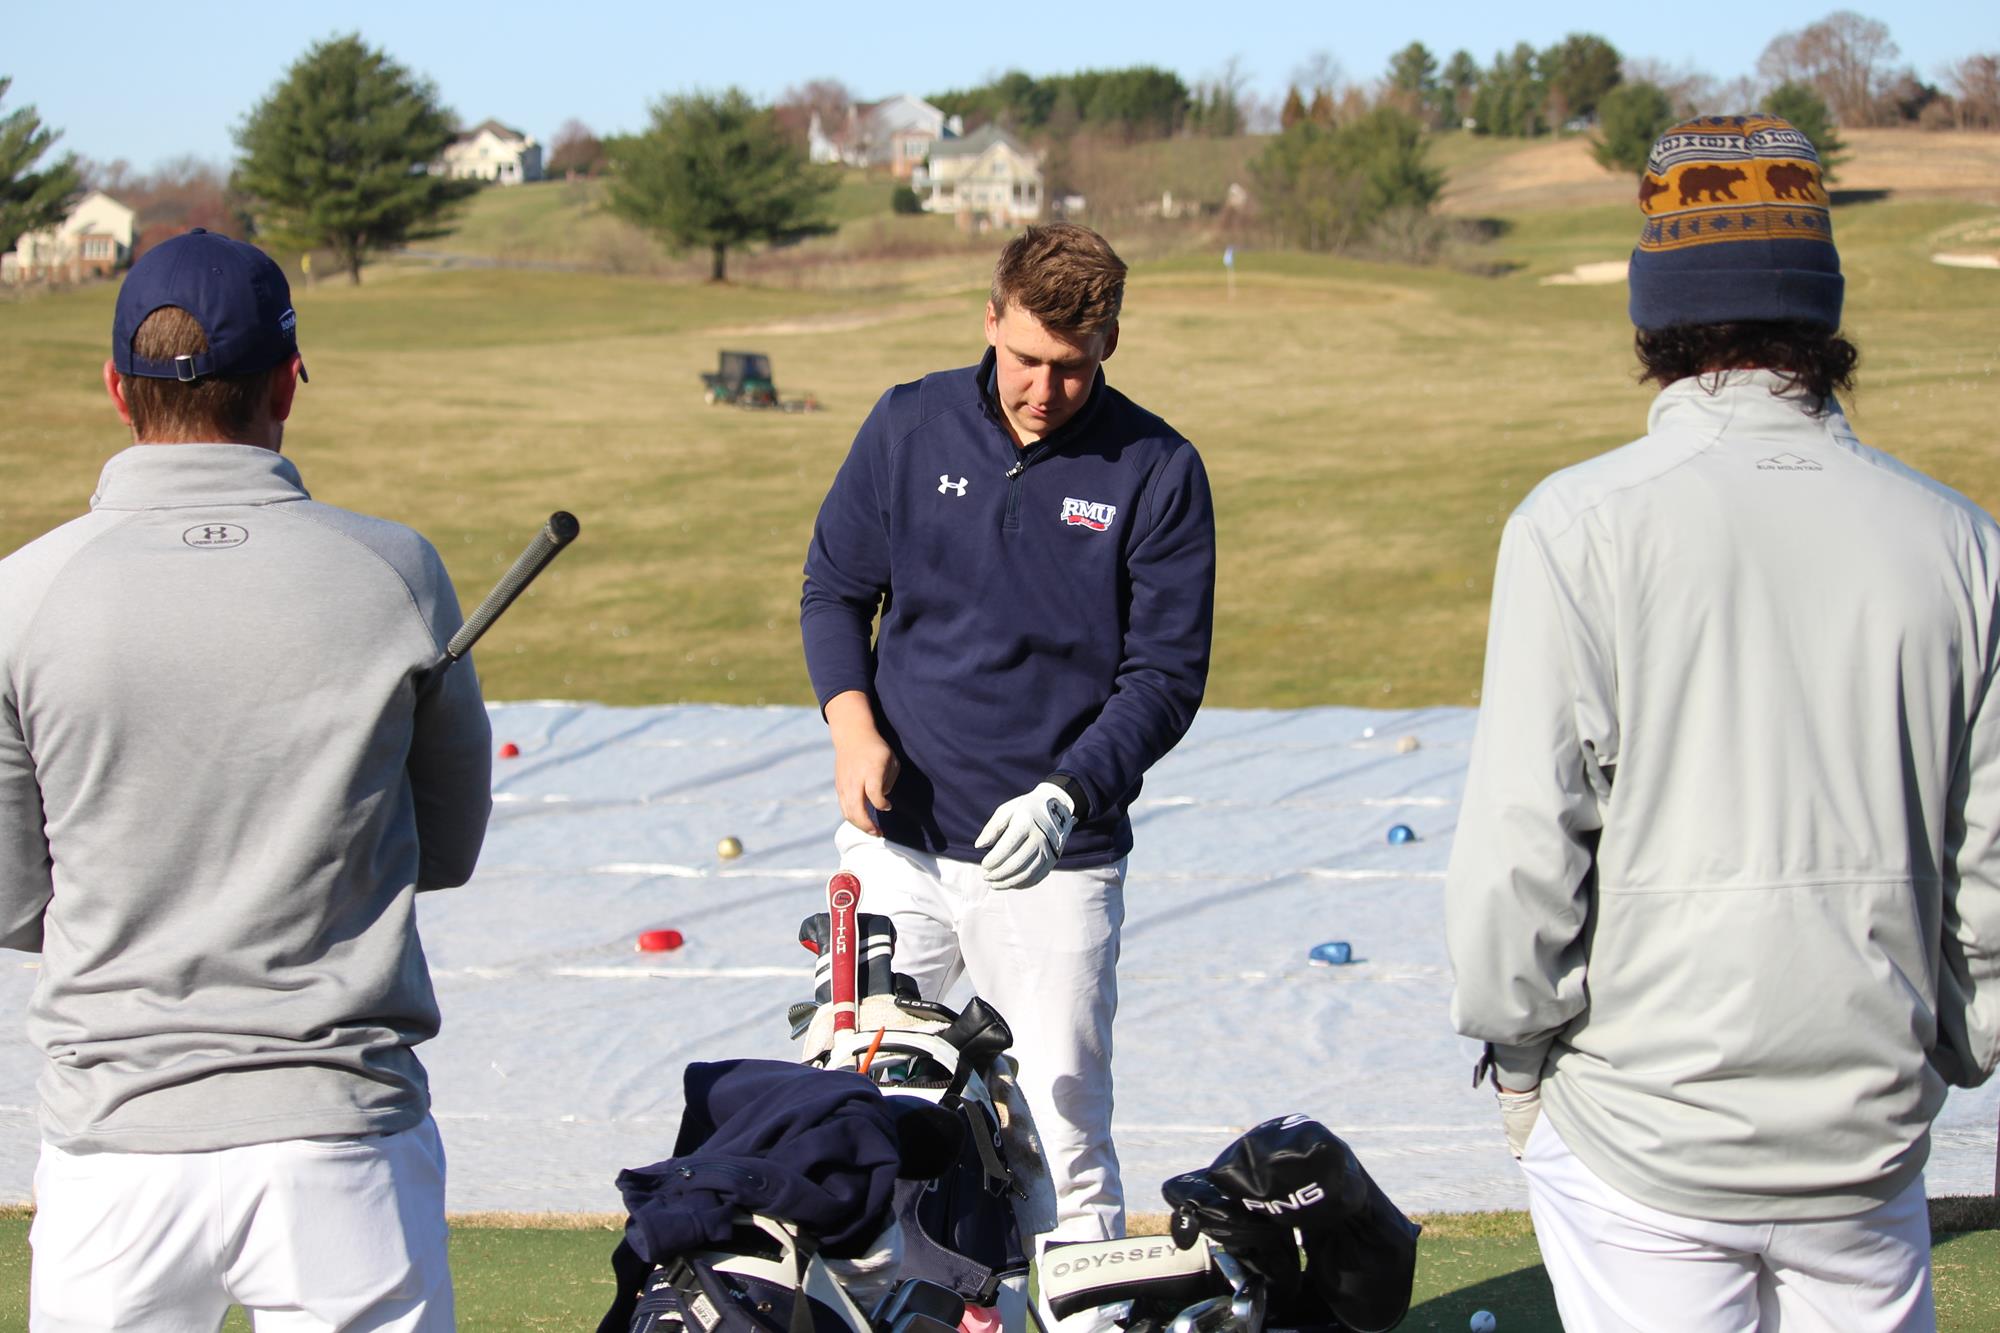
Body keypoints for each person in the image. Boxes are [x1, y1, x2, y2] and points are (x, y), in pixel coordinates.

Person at [1446, 115, 2000, 1331]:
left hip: (1639, 1136)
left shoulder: (1576, 523)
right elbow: (1988, 869)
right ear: (1819, 308)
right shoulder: (1958, 541)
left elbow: (1519, 853)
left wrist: (1519, 1062)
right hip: (1865, 1137)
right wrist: (1951, 1051)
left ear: (1654, 310)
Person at [0, 228, 492, 1330]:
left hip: (113, 1155)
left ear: (117, 391)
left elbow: (13, 900)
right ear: (287, 380)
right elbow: (446, 849)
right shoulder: (394, 571)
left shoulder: (22, 595)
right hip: (341, 1145)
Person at [800, 222, 1216, 1329]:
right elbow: (834, 592)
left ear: (1110, 343)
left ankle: (1082, 1318)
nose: (1042, 389)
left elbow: (1164, 676)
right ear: (989, 318)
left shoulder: (1158, 470)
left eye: (1072, 367)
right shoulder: (906, 422)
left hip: (1054, 854)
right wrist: (851, 726)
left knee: (1054, 1124)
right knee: (877, 1109)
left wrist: (1066, 792)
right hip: (896, 839)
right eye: (1026, 358)